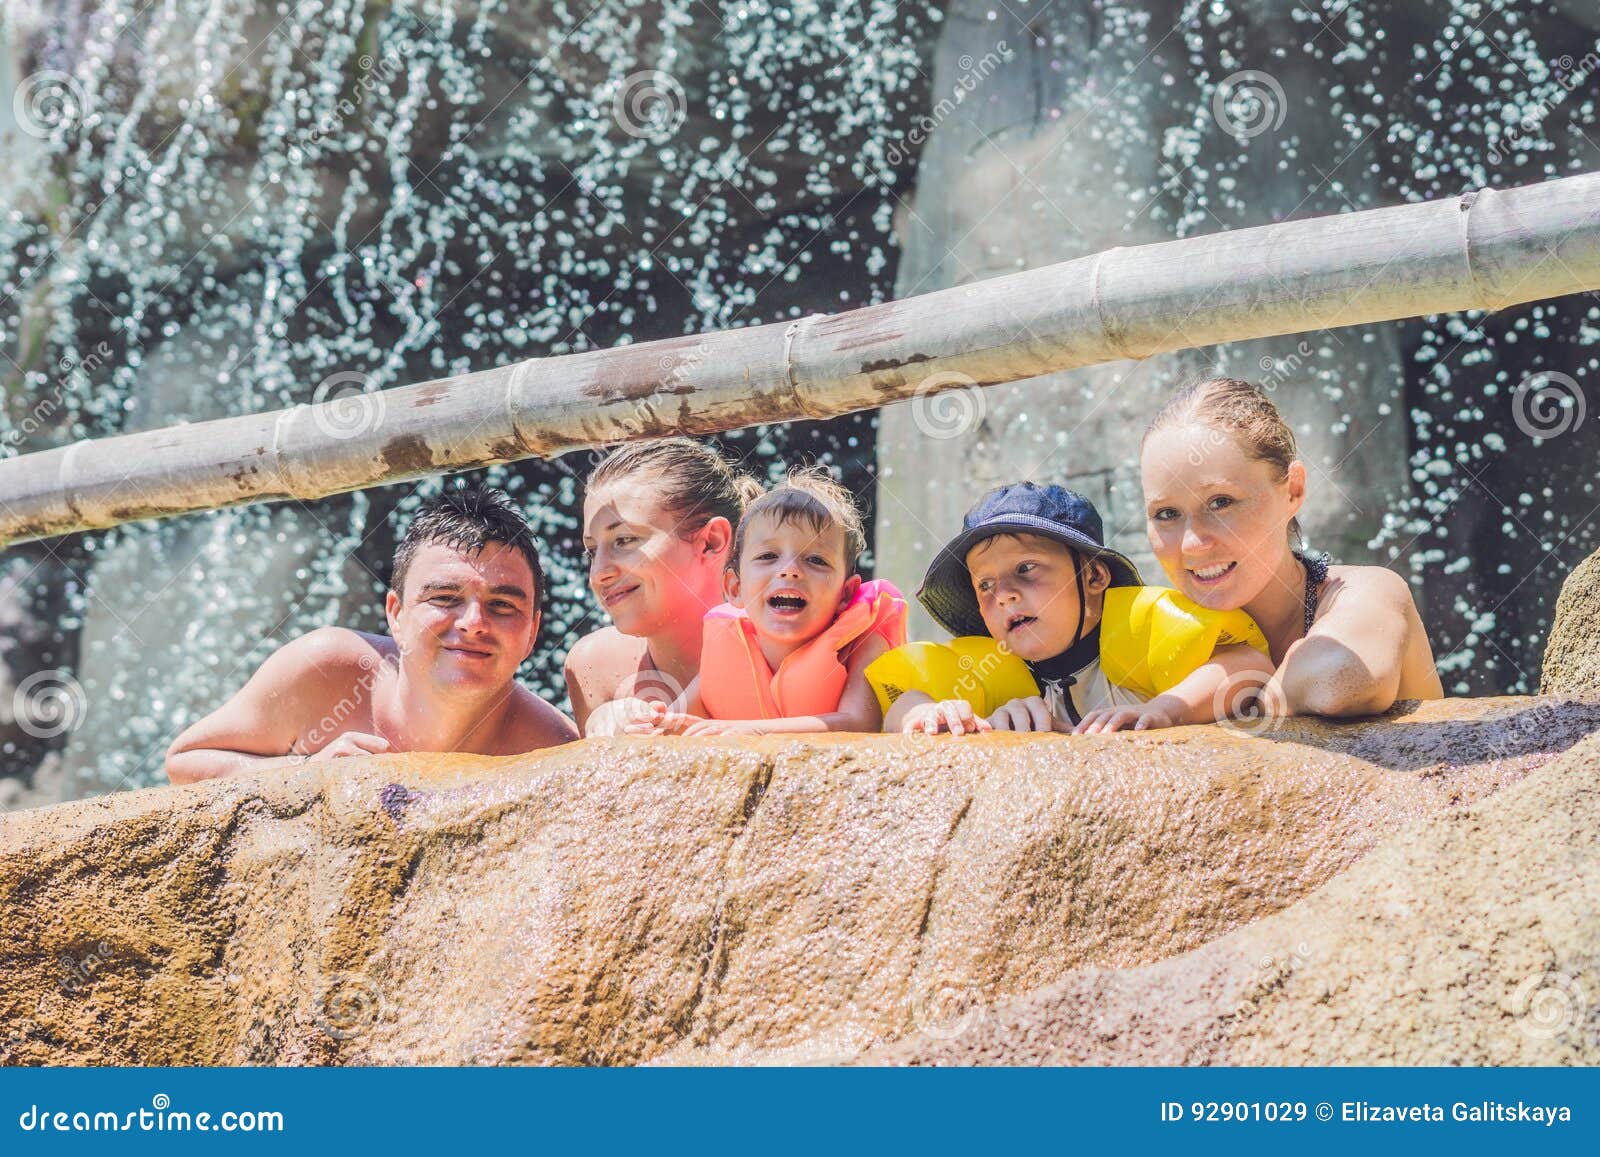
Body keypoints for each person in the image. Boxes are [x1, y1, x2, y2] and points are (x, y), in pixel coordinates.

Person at [164, 485, 576, 783]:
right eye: (446, 598)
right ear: (395, 615)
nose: (473, 622)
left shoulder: (550, 749)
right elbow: (184, 762)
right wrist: (304, 774)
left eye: (502, 605)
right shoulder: (327, 670)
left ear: (532, 632)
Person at [1139, 377, 1443, 716]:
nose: (1193, 544)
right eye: (1166, 514)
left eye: (1221, 502)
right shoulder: (1153, 633)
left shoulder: (1368, 591)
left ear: (1293, 491)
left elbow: (1344, 679)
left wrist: (1231, 702)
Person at [875, 482, 1274, 735]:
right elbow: (904, 701)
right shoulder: (990, 674)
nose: (1004, 595)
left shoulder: (1143, 635)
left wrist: (1167, 710)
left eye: (1026, 569)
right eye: (985, 585)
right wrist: (928, 714)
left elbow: (1247, 664)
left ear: (1095, 578)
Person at [636, 466, 908, 735]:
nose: (789, 570)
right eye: (768, 556)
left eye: (816, 560)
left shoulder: (863, 642)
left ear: (845, 594)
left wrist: (754, 731)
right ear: (735, 588)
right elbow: (680, 720)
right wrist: (654, 723)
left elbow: (858, 724)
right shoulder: (728, 642)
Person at [564, 438, 761, 735]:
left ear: (711, 542)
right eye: (592, 551)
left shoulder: (800, 645)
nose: (599, 573)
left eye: (625, 540)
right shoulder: (595, 668)